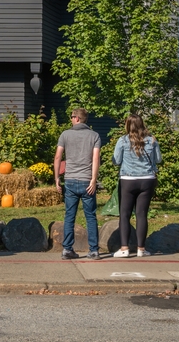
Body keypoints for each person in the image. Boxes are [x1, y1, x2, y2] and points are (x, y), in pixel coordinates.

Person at [111, 114, 161, 258]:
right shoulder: (152, 140)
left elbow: (116, 161)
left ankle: (124, 248)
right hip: (147, 179)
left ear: (128, 125)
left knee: (125, 214)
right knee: (141, 214)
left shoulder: (123, 140)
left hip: (128, 179)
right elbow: (158, 159)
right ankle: (141, 249)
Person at [54, 108, 102, 259]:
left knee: (69, 216)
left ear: (77, 118)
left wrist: (56, 178)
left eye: (71, 117)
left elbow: (57, 157)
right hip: (87, 180)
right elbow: (95, 159)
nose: (70, 119)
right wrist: (94, 179)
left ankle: (67, 249)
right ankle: (93, 250)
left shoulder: (65, 135)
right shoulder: (94, 136)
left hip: (70, 179)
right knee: (90, 216)